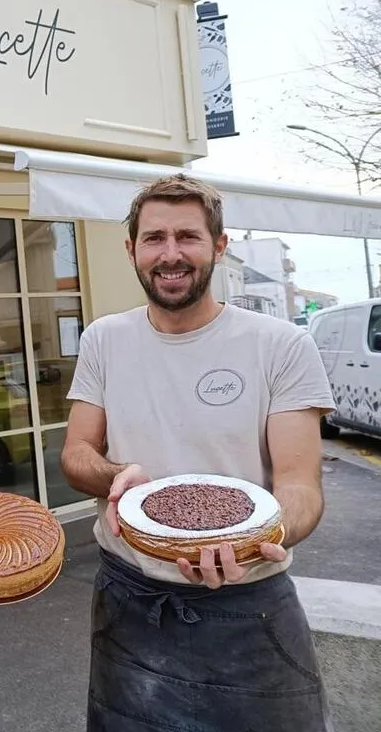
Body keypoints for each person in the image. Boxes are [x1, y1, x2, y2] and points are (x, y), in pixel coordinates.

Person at [60, 174, 336, 731]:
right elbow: (77, 453)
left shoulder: (280, 345)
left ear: (219, 245)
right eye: (154, 238)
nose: (170, 255)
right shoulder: (104, 339)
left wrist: (265, 538)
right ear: (131, 249)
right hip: (128, 598)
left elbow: (300, 484)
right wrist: (115, 476)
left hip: (247, 601)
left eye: (187, 237)